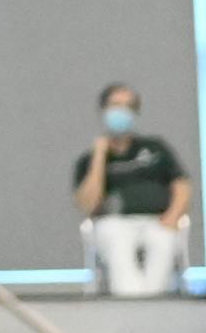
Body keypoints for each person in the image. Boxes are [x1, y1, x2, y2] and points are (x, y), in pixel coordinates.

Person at [73, 83, 191, 296]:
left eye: (128, 106)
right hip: (114, 222)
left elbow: (181, 184)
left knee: (163, 241)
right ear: (104, 110)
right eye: (116, 105)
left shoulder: (155, 148)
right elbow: (88, 204)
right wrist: (99, 156)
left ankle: (153, 301)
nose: (121, 112)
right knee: (118, 243)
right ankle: (132, 303)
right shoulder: (88, 159)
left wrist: (173, 216)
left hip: (158, 220)